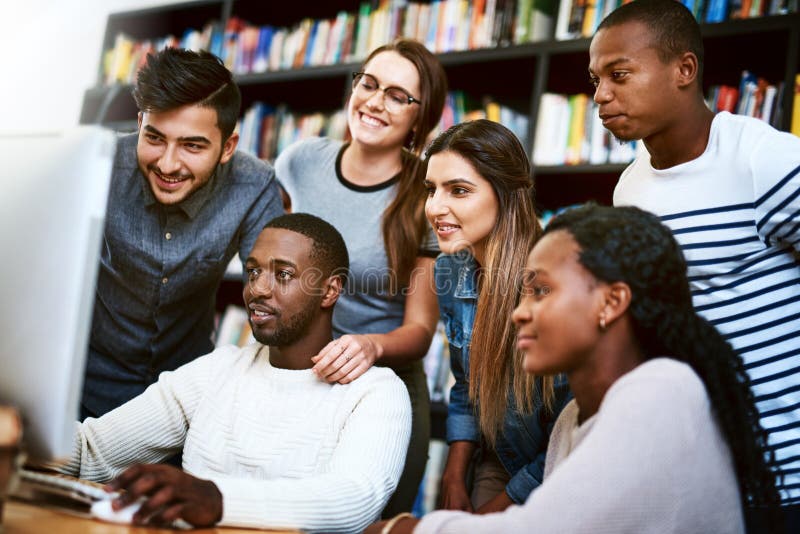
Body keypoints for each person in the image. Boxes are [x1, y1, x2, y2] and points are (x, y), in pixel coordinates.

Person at [368, 204, 783, 534]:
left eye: (541, 291)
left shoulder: (662, 391)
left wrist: (402, 528)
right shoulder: (573, 418)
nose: (518, 313)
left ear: (611, 302)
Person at [56, 213, 411, 532]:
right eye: (254, 271)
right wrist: (19, 429)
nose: (257, 289)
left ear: (329, 290)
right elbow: (92, 453)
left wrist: (215, 499)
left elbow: (353, 500)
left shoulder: (376, 392)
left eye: (283, 274)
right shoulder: (218, 369)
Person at [589, 0, 800, 525]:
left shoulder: (764, 160)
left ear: (684, 70)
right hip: (701, 476)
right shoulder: (630, 188)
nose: (600, 95)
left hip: (788, 474)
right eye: (595, 79)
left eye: (619, 74)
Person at [274, 38, 447, 516]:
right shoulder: (299, 161)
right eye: (369, 84)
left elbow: (419, 331)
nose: (374, 101)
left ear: (420, 116)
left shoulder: (427, 194)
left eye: (397, 95)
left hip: (383, 387)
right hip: (301, 380)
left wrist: (369, 345)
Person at [82, 47, 283, 420]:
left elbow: (277, 290)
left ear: (228, 147)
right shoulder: (96, 164)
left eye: (192, 145)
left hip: (184, 403)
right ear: (140, 122)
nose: (168, 164)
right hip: (85, 390)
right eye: (155, 138)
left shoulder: (254, 185)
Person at [423, 120, 571, 514]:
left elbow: (570, 435)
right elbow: (468, 386)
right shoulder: (450, 270)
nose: (435, 207)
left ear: (505, 195)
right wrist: (454, 474)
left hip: (561, 469)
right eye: (431, 189)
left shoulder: (559, 284)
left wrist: (496, 512)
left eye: (458, 190)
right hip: (500, 458)